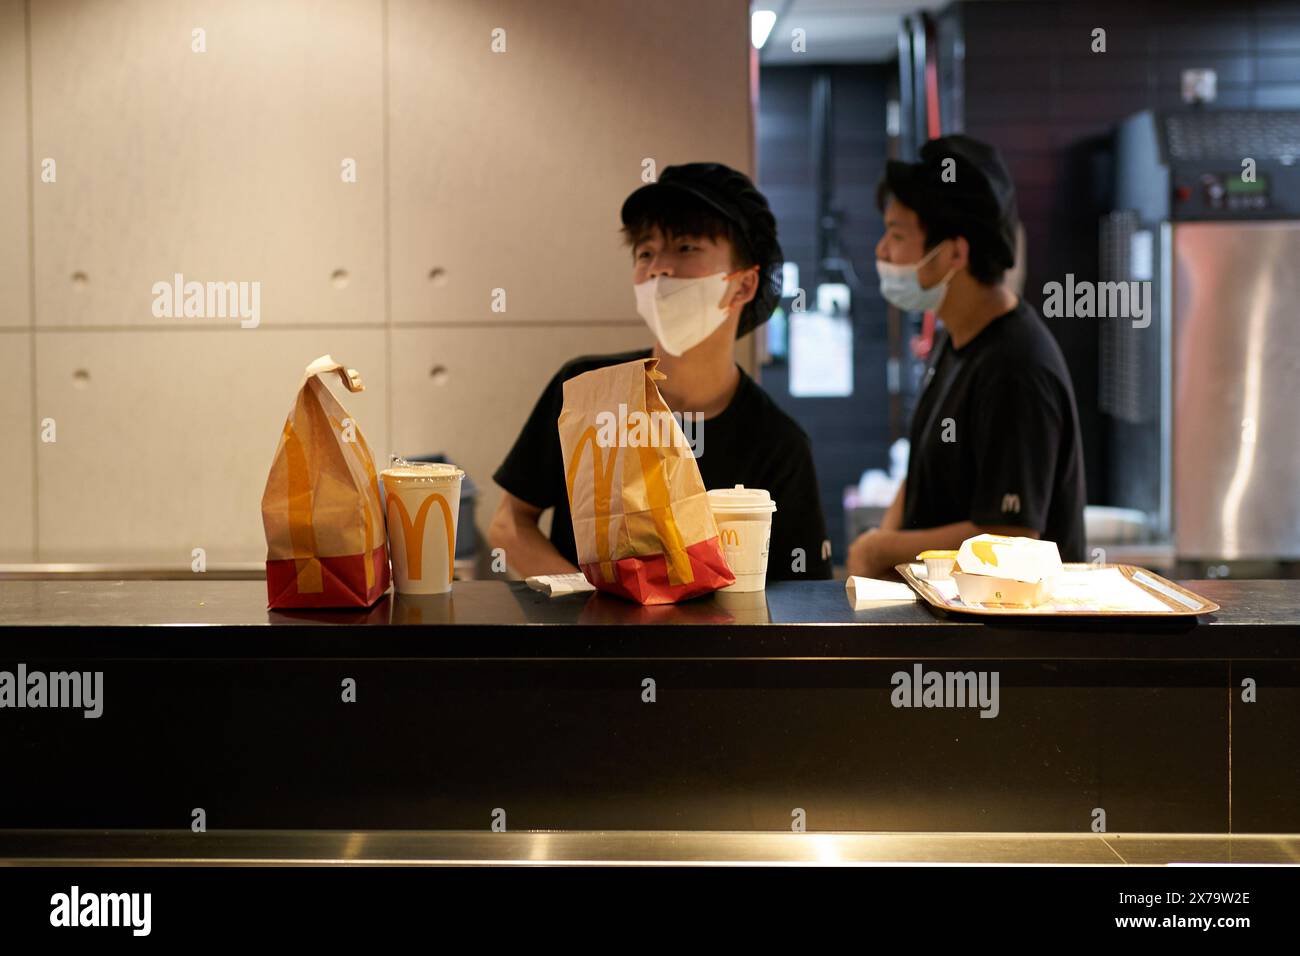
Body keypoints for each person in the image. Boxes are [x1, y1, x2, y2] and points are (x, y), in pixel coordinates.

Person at [489, 162, 833, 582]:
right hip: (583, 644)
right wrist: (584, 608)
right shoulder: (586, 390)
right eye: (646, 252)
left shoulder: (777, 443)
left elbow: (800, 594)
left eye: (686, 248)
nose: (658, 268)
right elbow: (509, 524)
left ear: (742, 286)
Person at [847, 135, 1086, 578]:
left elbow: (1010, 538)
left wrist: (881, 550)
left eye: (897, 235)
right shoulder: (954, 339)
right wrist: (878, 554)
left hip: (1007, 641)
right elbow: (919, 471)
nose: (882, 251)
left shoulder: (1017, 366)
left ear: (955, 252)